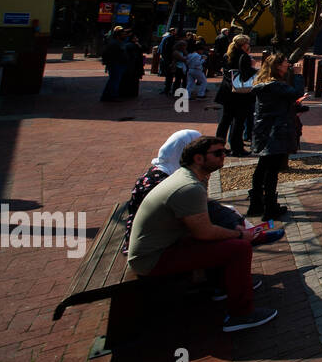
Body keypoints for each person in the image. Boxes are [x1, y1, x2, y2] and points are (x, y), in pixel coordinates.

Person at [126, 135, 278, 333]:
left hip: (165, 245)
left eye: (225, 152)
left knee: (227, 238)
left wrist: (235, 227)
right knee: (238, 248)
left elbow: (206, 218)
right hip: (152, 258)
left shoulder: (189, 177)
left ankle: (224, 285)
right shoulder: (189, 187)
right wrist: (239, 235)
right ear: (198, 158)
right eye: (217, 153)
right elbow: (205, 233)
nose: (223, 156)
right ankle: (241, 313)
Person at [122, 128, 284, 254]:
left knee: (224, 213)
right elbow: (200, 224)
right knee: (223, 224)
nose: (221, 156)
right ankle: (249, 240)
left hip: (161, 233)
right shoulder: (167, 180)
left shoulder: (168, 170)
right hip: (156, 243)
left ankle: (253, 235)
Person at [249, 53, 305, 219]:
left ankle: (256, 203)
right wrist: (298, 75)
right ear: (278, 66)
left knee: (262, 167)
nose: (288, 64)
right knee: (272, 169)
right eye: (286, 62)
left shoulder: (262, 84)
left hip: (263, 128)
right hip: (277, 130)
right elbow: (296, 93)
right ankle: (270, 207)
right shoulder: (276, 85)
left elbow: (277, 103)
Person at [216, 35, 256, 156]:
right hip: (239, 94)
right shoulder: (244, 57)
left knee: (225, 120)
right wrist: (253, 68)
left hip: (226, 90)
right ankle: (237, 147)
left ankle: (218, 146)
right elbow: (245, 75)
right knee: (238, 121)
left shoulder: (227, 55)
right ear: (244, 45)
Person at [100, 26, 127, 102]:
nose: (124, 35)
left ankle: (107, 96)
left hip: (118, 64)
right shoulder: (114, 43)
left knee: (113, 80)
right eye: (123, 34)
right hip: (115, 64)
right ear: (118, 35)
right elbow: (107, 54)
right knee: (114, 81)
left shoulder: (119, 43)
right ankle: (111, 96)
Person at [121, 32, 144, 100]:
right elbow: (136, 55)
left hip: (132, 65)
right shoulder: (132, 45)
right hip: (133, 66)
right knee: (133, 80)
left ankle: (128, 93)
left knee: (130, 80)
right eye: (135, 38)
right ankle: (131, 93)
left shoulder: (129, 44)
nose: (137, 39)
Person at [158, 26, 179, 94]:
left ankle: (167, 88)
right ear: (172, 32)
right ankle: (168, 88)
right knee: (170, 74)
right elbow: (168, 49)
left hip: (165, 58)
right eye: (175, 31)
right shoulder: (170, 38)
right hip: (168, 59)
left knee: (168, 74)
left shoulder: (165, 38)